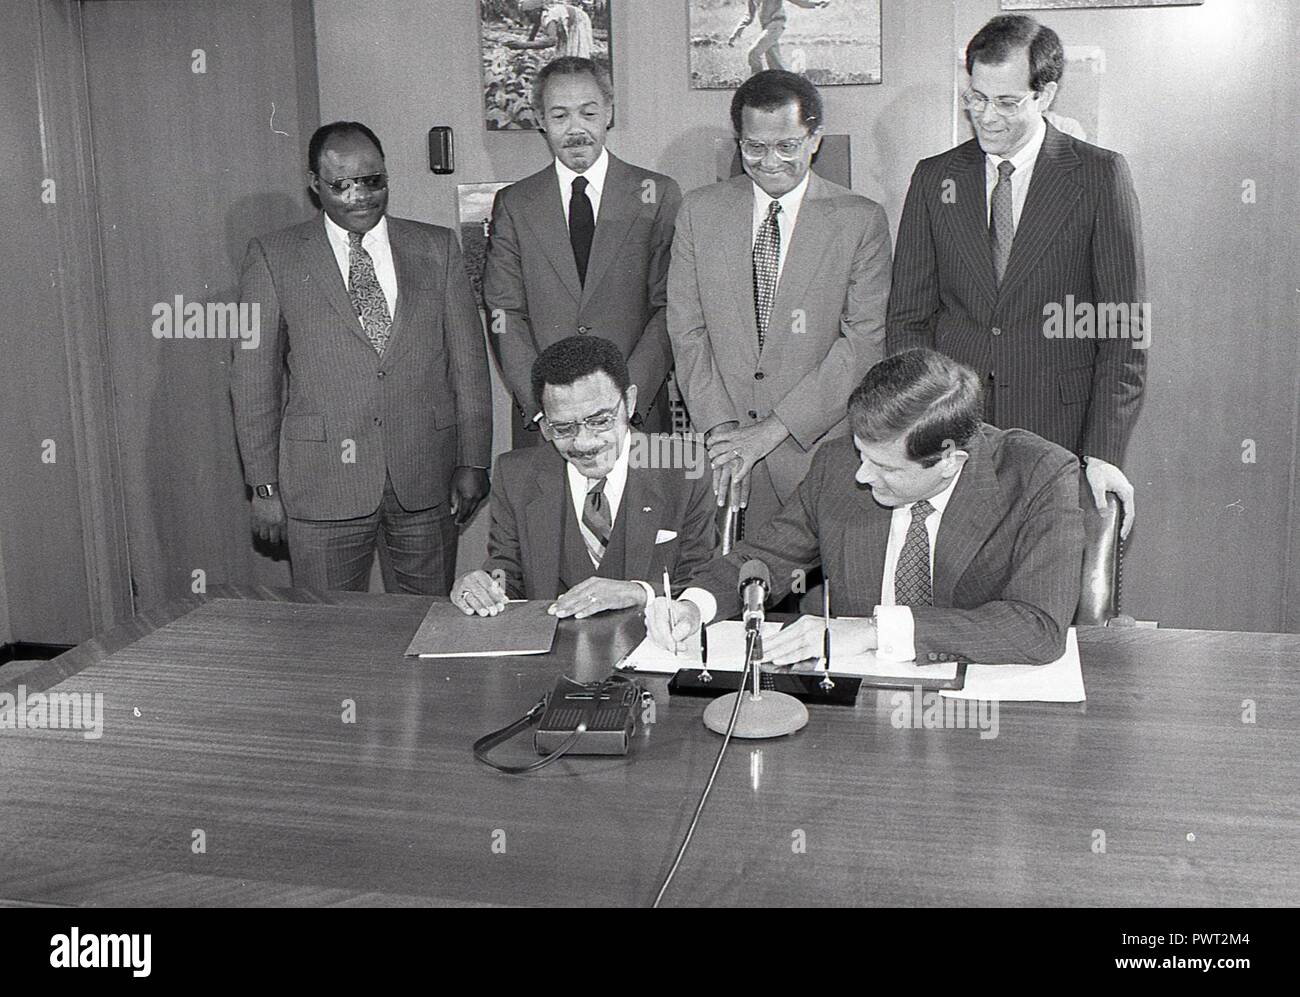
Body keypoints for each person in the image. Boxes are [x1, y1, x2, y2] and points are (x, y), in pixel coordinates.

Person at [645, 349, 1084, 666]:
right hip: (857, 704)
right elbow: (766, 557)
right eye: (862, 453)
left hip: (977, 713)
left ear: (951, 460)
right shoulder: (838, 464)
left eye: (886, 467)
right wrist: (694, 606)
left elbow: (1037, 627)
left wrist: (873, 632)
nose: (863, 476)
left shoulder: (1039, 476)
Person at [887, 14, 1146, 538]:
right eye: (976, 98)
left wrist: (1102, 452)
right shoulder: (935, 178)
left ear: (1045, 93)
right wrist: (917, 426)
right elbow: (909, 320)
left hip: (1059, 436)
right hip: (952, 440)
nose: (986, 117)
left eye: (1007, 102)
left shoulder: (1098, 175)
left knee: (1046, 595)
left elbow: (1122, 330)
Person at [231, 121, 492, 594]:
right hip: (320, 486)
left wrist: (474, 460)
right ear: (315, 184)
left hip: (424, 479)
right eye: (341, 184)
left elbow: (469, 364)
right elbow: (253, 381)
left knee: (422, 628)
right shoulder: (274, 256)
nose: (359, 196)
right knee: (329, 638)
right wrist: (264, 487)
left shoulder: (437, 248)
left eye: (372, 180)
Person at [667, 69, 891, 535]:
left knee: (823, 602)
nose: (770, 161)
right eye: (755, 147)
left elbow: (862, 344)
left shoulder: (861, 221)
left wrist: (769, 433)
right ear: (738, 141)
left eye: (787, 146)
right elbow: (687, 331)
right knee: (722, 593)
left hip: (817, 455)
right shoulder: (698, 211)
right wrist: (726, 435)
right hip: (722, 457)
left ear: (814, 139)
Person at [483, 56, 681, 441]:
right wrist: (543, 407)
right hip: (547, 422)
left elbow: (670, 306)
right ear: (540, 119)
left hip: (635, 416)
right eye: (559, 117)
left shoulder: (657, 194)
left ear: (609, 112)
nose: (576, 129)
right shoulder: (514, 203)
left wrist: (629, 399)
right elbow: (503, 312)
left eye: (588, 113)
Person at [452, 335, 716, 619]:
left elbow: (700, 584)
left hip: (650, 645)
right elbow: (506, 576)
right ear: (543, 425)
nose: (584, 443)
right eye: (563, 428)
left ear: (629, 400)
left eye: (600, 421)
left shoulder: (684, 469)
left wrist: (641, 593)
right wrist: (480, 589)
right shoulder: (515, 476)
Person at [728, 0, 831, 76]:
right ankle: (800, 76)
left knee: (753, 53)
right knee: (776, 66)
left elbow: (799, 1)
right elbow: (749, 15)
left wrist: (817, 4)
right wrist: (736, 32)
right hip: (766, 28)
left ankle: (756, 82)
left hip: (776, 24)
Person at [507, 1, 594, 59]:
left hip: (578, 21)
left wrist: (523, 45)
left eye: (528, 13)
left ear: (536, 11)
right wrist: (522, 50)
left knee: (575, 53)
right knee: (563, 54)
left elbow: (551, 41)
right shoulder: (539, 17)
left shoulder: (549, 16)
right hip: (569, 22)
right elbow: (533, 32)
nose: (527, 17)